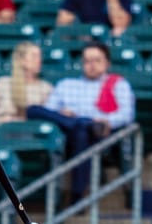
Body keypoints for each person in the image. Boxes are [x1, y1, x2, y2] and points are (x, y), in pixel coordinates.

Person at [26, 40, 135, 202]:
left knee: (83, 131)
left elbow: (127, 114)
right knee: (33, 110)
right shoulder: (67, 84)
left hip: (98, 134)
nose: (92, 65)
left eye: (97, 61)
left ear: (107, 63)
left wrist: (106, 120)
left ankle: (77, 194)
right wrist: (61, 114)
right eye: (87, 61)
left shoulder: (118, 84)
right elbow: (49, 110)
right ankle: (78, 122)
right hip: (65, 132)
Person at [0, 42, 52, 132]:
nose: (39, 60)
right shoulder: (3, 82)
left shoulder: (46, 87)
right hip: (0, 130)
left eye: (40, 56)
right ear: (21, 60)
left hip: (29, 132)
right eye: (34, 56)